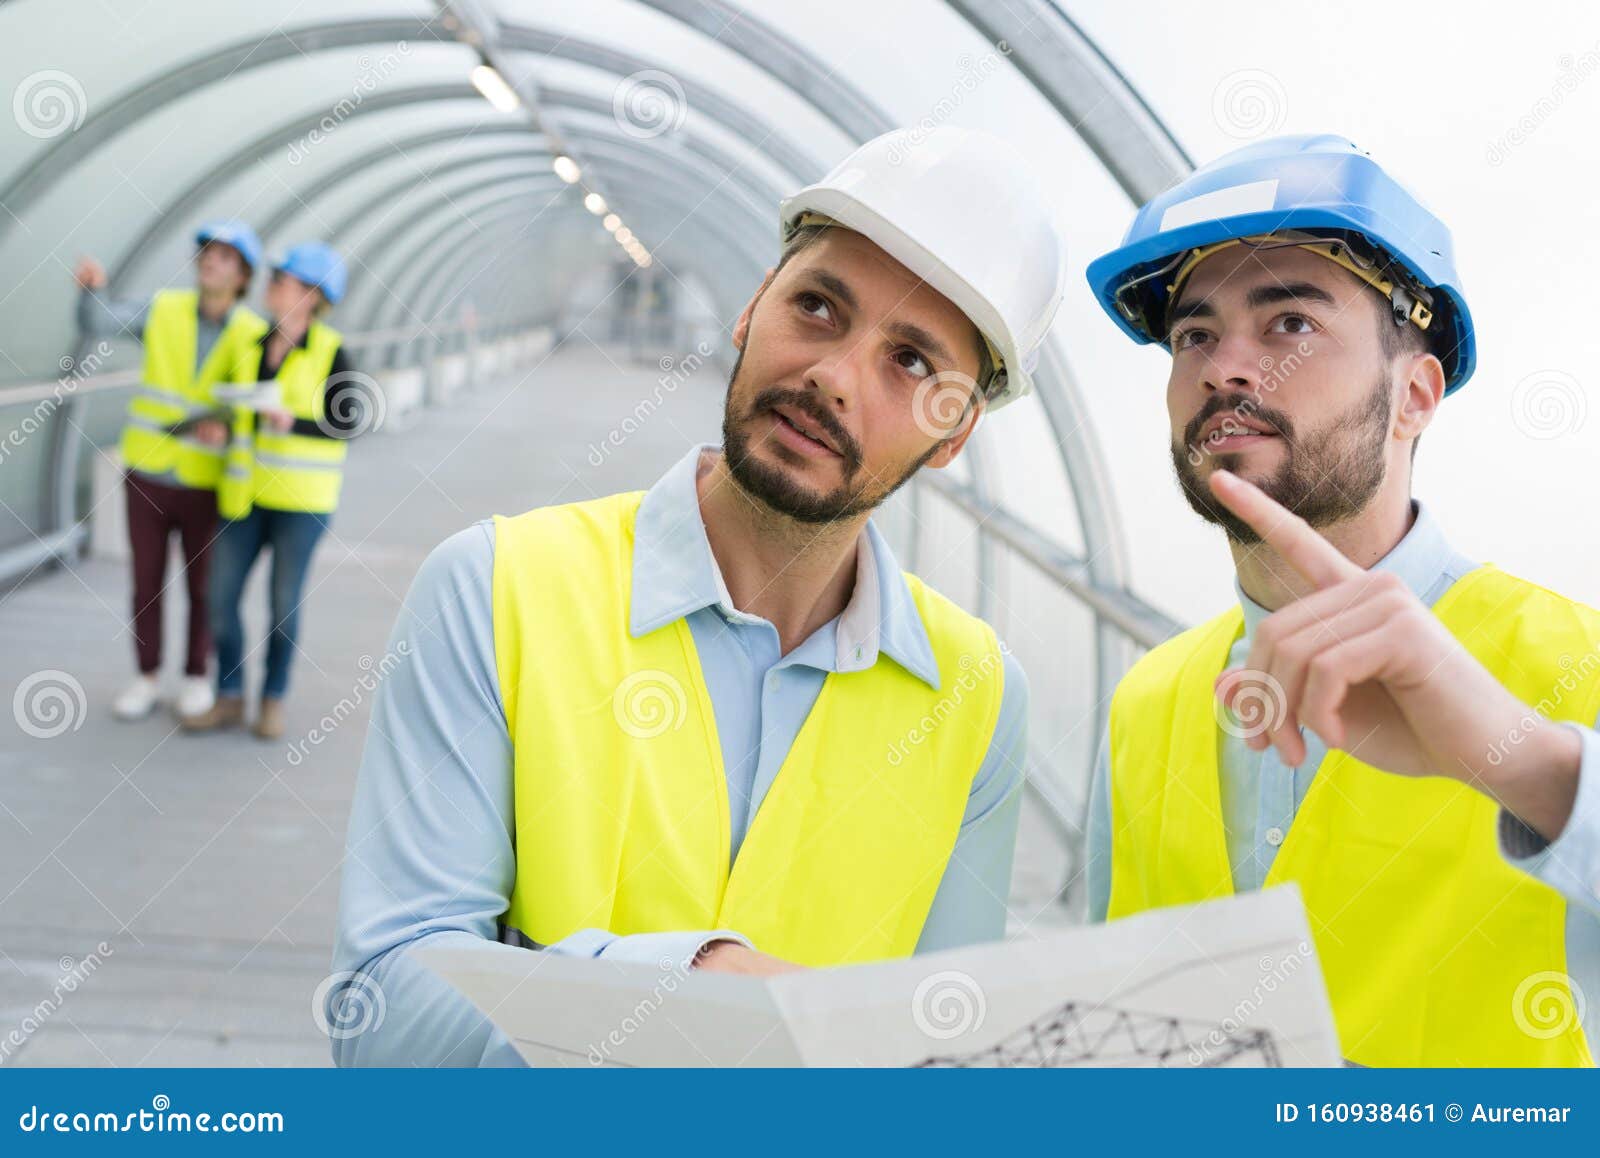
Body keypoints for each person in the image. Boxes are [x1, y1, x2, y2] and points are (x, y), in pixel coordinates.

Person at [328, 125, 1068, 1066]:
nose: (833, 377)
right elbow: (382, 1019)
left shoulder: (977, 696)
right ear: (754, 306)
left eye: (912, 363)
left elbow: (942, 1061)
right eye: (818, 307)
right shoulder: (495, 589)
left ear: (955, 431)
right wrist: (690, 992)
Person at [1084, 133, 1600, 1066]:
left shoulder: (1582, 664)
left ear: (1414, 397)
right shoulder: (1146, 702)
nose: (1224, 368)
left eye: (1289, 324)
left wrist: (1540, 771)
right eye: (1194, 334)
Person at [75, 221, 268, 724]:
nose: (210, 261)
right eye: (207, 252)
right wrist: (92, 288)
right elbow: (98, 322)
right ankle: (146, 677)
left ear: (243, 275)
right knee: (146, 582)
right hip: (149, 472)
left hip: (209, 480)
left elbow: (267, 405)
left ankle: (196, 677)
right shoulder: (163, 309)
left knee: (204, 586)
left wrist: (228, 432)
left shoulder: (255, 334)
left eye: (226, 257)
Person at [182, 243, 364, 740]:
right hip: (245, 498)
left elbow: (352, 420)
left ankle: (273, 699)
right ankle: (230, 695)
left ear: (311, 296)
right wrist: (218, 428)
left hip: (302, 505)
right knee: (219, 598)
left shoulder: (331, 351)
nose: (273, 285)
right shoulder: (250, 345)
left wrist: (296, 423)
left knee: (283, 605)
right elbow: (234, 410)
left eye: (283, 280)